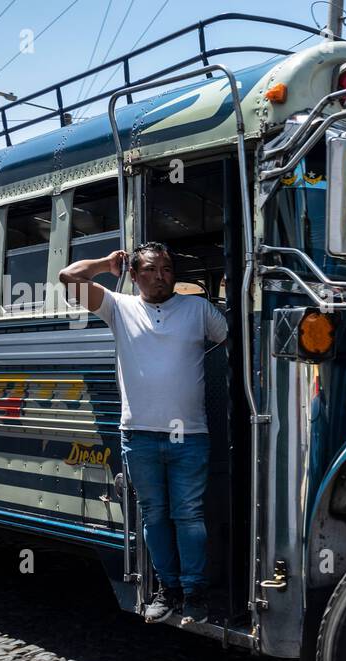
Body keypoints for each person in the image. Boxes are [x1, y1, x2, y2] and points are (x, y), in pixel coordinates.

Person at [59, 242, 228, 624]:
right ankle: (168, 591)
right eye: (150, 269)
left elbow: (228, 339)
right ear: (134, 275)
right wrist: (106, 263)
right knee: (155, 515)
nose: (161, 275)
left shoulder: (198, 309)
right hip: (138, 433)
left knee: (189, 515)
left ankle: (195, 593)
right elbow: (68, 277)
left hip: (190, 434)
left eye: (167, 268)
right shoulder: (118, 307)